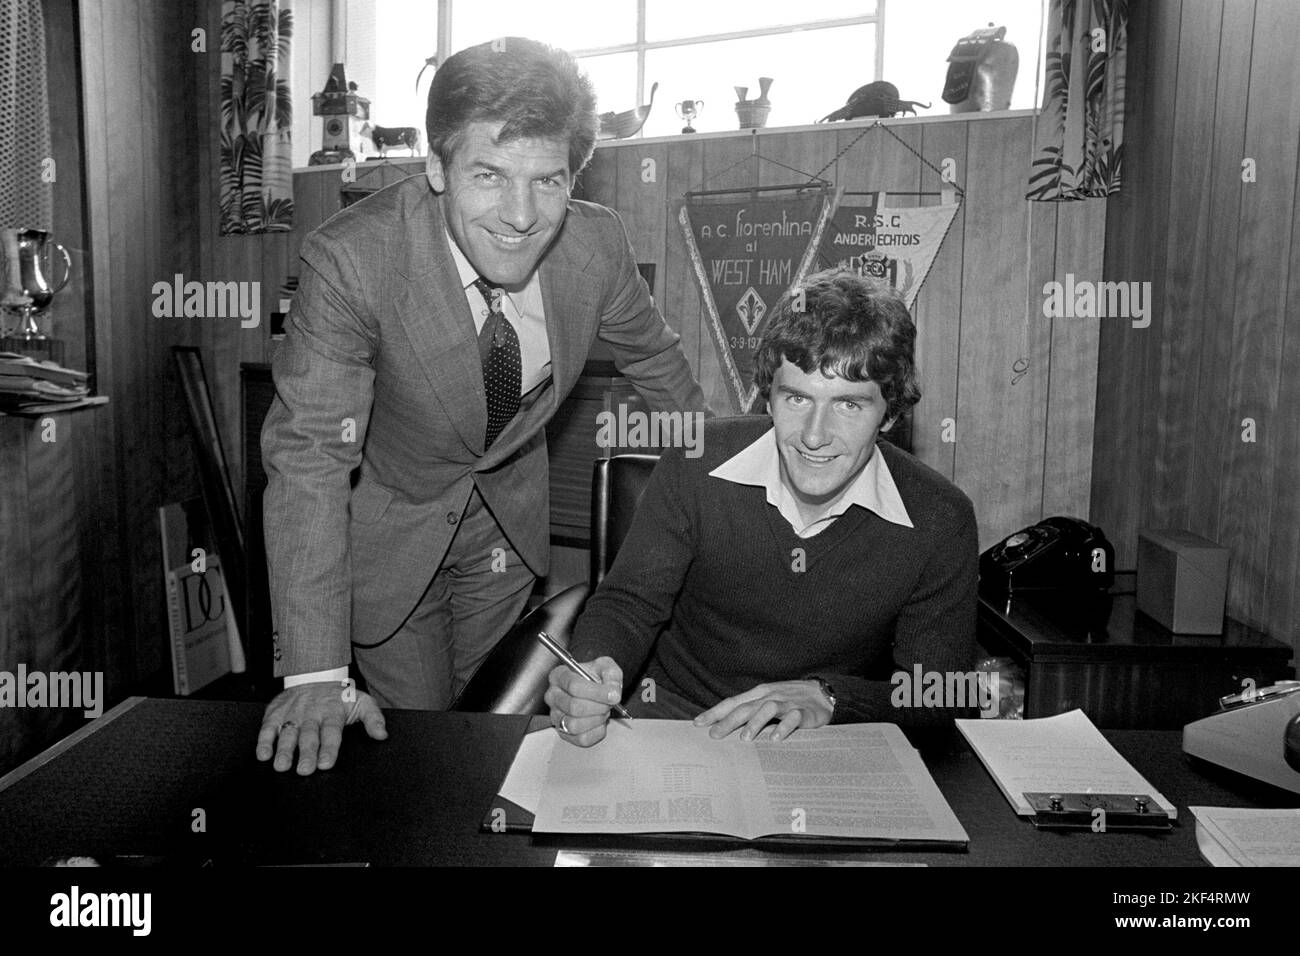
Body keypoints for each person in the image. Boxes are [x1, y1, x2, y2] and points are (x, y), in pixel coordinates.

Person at [256, 37, 706, 775]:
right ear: (436, 166)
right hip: (388, 537)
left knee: (498, 744)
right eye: (489, 175)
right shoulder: (351, 261)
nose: (522, 215)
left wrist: (729, 473)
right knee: (428, 753)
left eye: (549, 182)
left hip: (506, 530)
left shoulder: (595, 247)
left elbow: (655, 357)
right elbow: (309, 456)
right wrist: (312, 676)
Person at [546, 270, 978, 747]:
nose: (814, 435)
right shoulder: (695, 461)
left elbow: (941, 698)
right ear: (768, 397)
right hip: (672, 720)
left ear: (891, 414)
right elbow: (628, 604)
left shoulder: (941, 518)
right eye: (797, 397)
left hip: (824, 740)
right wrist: (595, 668)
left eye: (849, 406)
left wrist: (831, 698)